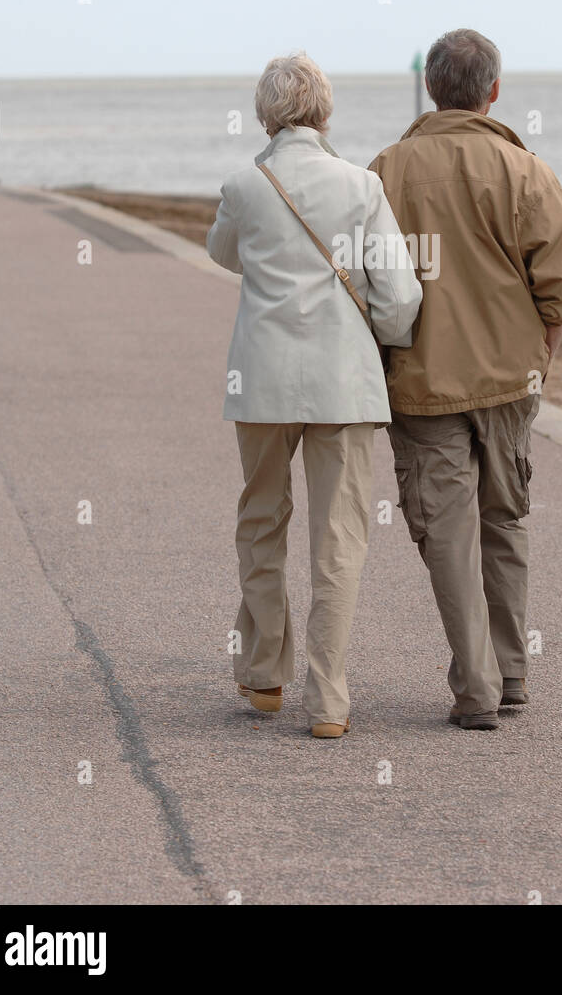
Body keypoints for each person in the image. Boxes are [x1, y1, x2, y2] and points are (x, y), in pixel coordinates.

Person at [370, 29, 562, 730]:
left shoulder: (386, 171)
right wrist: (540, 354)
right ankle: (511, 672)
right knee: (505, 518)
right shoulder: (525, 171)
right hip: (508, 380)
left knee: (447, 532)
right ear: (493, 90)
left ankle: (476, 686)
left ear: (432, 88)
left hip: (421, 381)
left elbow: (364, 282)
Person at [207, 53, 422, 738]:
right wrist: (387, 336)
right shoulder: (360, 186)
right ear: (325, 112)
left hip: (262, 380)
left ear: (265, 114)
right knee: (339, 539)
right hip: (343, 380)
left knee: (261, 519)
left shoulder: (244, 183)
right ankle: (327, 699)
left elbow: (222, 253)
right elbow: (398, 296)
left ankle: (265, 670)